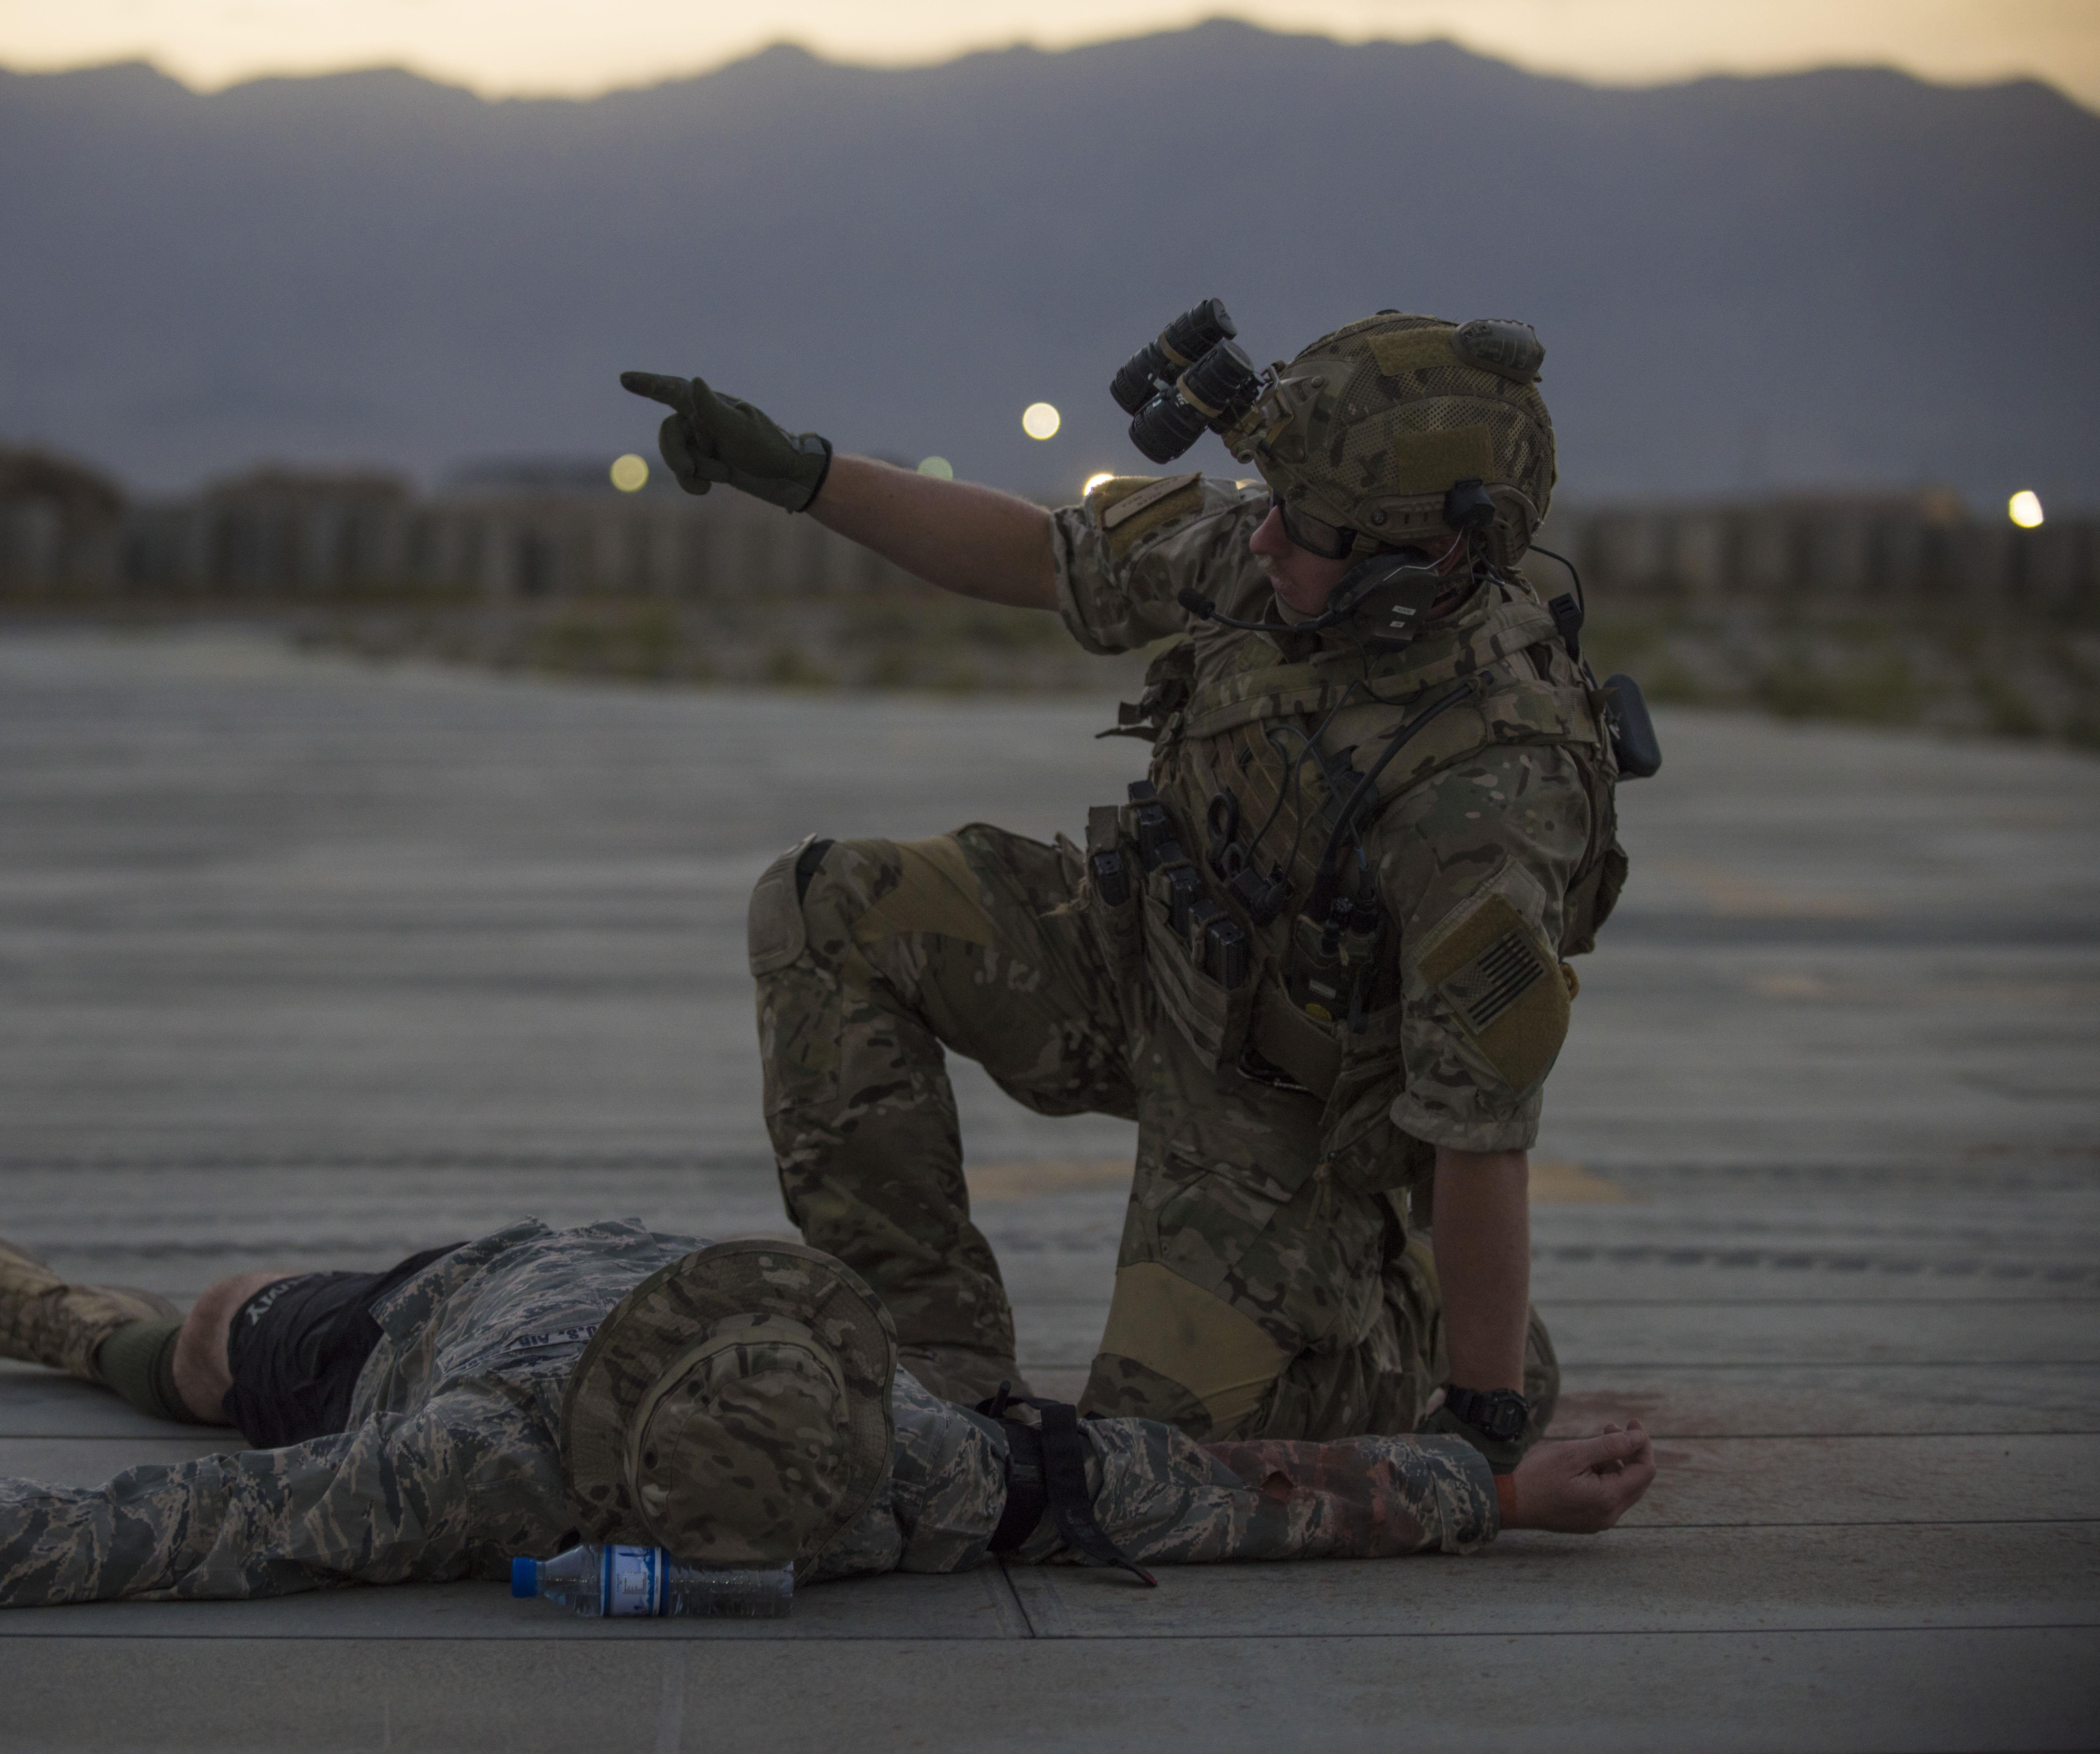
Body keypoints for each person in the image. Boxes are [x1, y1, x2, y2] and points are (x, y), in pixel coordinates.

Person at [623, 308, 1627, 1475]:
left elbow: (1478, 1129)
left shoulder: (1488, 788)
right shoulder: (1290, 556)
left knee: (1155, 1453)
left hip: (1280, 1109)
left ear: (1434, 558)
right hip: (1138, 958)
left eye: (1306, 524)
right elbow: (1048, 559)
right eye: (1275, 502)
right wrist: (804, 474)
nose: (1264, 542)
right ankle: (938, 1358)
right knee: (826, 901)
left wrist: (1483, 1438)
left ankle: (1403, 1322)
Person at [0, 1228, 1654, 1603]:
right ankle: (74, 1322)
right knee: (206, 1365)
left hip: (688, 1304)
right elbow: (175, 1536)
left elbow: (1235, 1490)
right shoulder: (480, 1458)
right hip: (436, 1315)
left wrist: (1494, 1490)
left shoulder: (915, 1468)